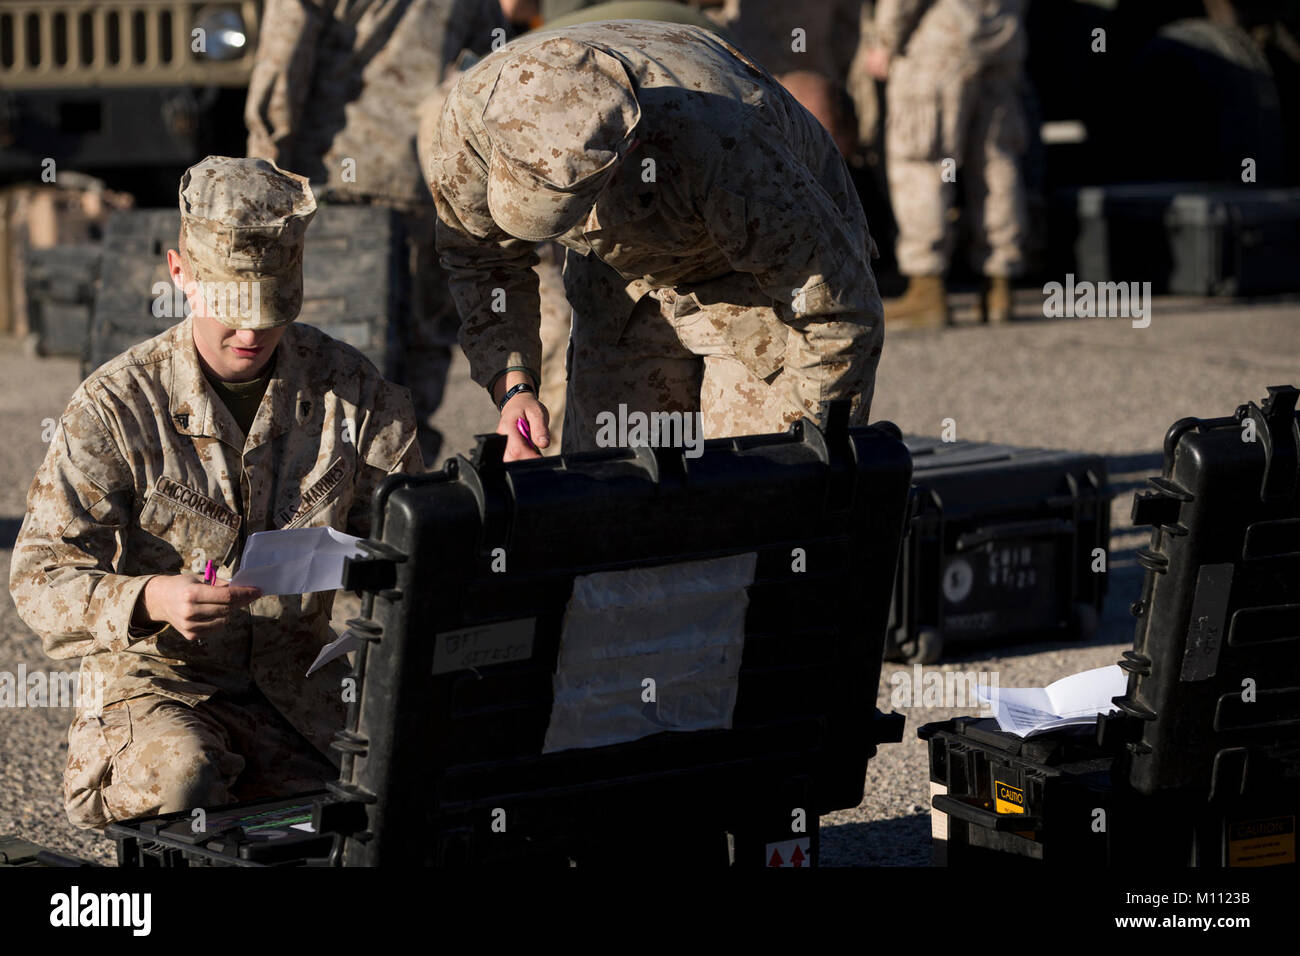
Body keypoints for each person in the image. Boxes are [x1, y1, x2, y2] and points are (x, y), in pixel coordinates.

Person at [9, 156, 423, 830]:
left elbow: (411, 541)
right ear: (180, 274)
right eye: (232, 307)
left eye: (271, 309)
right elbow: (38, 577)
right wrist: (150, 597)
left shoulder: (352, 391)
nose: (251, 333)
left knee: (407, 785)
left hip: (300, 689)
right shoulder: (117, 405)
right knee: (182, 775)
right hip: (161, 688)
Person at [428, 20, 884, 462]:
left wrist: (807, 453)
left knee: (755, 483)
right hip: (617, 271)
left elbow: (834, 309)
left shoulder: (735, 152)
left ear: (620, 153)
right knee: (612, 486)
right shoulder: (470, 124)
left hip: (753, 278)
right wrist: (515, 388)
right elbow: (481, 260)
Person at [244, 0, 507, 463]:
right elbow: (489, 66)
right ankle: (406, 484)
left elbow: (282, 64)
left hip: (336, 184)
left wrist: (264, 173)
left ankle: (334, 492)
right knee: (421, 342)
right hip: (428, 176)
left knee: (327, 354)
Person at [867, 0, 1029, 327]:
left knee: (923, 163)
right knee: (995, 162)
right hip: (1001, 37)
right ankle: (999, 285)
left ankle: (927, 286)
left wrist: (886, 41)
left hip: (940, 42)